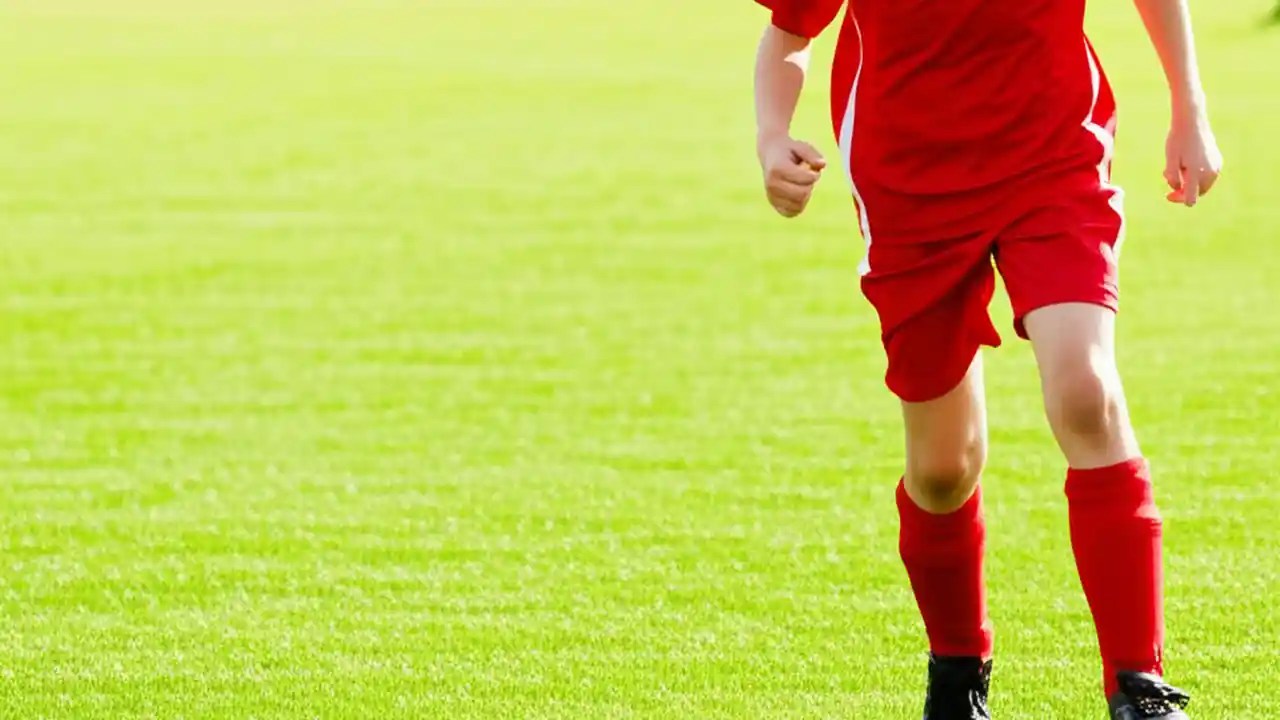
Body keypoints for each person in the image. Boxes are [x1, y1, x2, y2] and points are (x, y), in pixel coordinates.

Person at [751, 0, 1223, 717]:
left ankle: (1139, 685)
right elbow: (789, 30)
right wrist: (771, 136)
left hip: (1052, 153)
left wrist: (1189, 106)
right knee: (943, 470)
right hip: (909, 181)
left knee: (1086, 393)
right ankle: (958, 672)